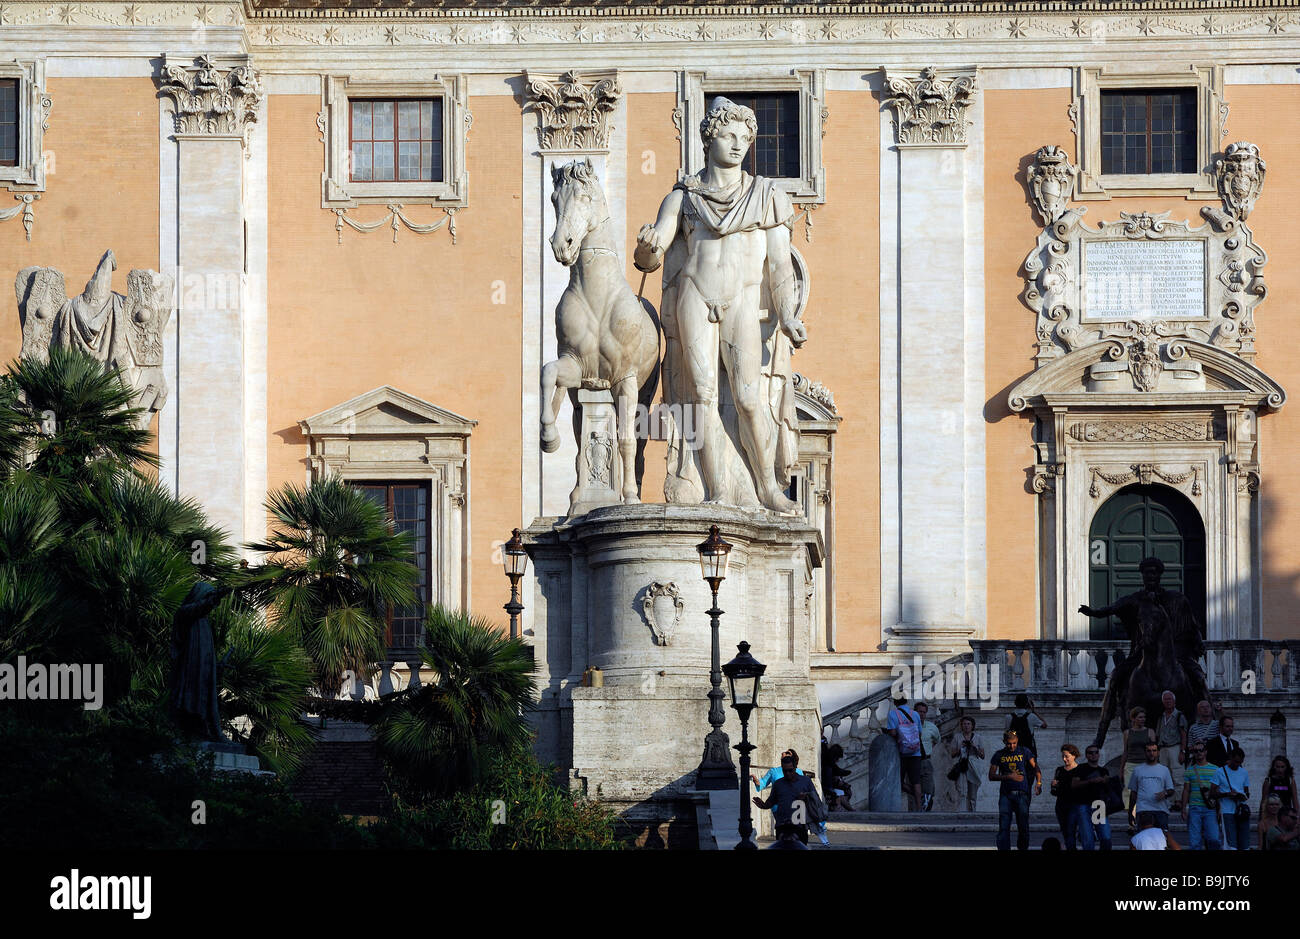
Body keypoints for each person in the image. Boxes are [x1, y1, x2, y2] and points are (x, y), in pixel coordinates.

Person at [635, 96, 806, 514]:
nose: (738, 145)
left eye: (746, 139)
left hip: (743, 299)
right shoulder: (683, 197)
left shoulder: (766, 196)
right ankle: (717, 491)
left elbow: (780, 266)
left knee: (749, 398)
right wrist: (648, 246)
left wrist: (788, 315)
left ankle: (766, 486)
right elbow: (650, 256)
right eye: (730, 135)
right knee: (703, 397)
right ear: (709, 137)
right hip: (695, 295)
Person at [1078, 556, 1210, 749]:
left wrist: (1197, 642)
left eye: (1154, 572)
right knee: (1115, 677)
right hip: (1142, 653)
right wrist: (1093, 612)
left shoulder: (1176, 599)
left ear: (1159, 575)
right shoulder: (1135, 600)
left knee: (1199, 678)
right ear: (1143, 576)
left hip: (1176, 654)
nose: (1150, 576)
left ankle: (1211, 724)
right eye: (1147, 573)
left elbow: (1192, 624)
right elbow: (1111, 609)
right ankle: (1100, 735)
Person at [754, 748, 829, 846]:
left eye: (790, 770)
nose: (788, 773)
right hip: (782, 826)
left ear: (795, 767)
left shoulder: (805, 781)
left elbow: (816, 801)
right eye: (785, 771)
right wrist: (763, 805)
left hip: (800, 826)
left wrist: (806, 796)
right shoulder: (778, 784)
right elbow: (771, 801)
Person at [989, 729, 1041, 851]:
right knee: (1004, 826)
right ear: (1004, 742)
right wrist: (1008, 776)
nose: (1011, 746)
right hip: (1006, 794)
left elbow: (1036, 768)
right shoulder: (999, 754)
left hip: (1022, 793)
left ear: (1017, 741)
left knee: (1023, 826)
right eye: (1008, 743)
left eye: (1014, 743)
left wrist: (1038, 783)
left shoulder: (1024, 751)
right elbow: (991, 776)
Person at [885, 696, 925, 812]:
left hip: (900, 753)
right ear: (906, 701)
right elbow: (919, 733)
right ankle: (919, 807)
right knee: (916, 781)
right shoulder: (915, 714)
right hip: (915, 753)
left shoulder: (893, 714)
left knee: (897, 781)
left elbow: (892, 733)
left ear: (895, 702)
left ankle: (894, 808)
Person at [1180, 741, 1222, 850]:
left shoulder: (1216, 769)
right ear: (1193, 753)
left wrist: (1219, 808)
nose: (1198, 753)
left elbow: (1218, 790)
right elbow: (1186, 790)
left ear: (1206, 752)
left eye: (1201, 750)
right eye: (1196, 751)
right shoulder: (1189, 770)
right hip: (1194, 808)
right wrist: (1183, 808)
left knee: (1214, 839)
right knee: (1195, 843)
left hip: (1210, 809)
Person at [1119, 707, 1156, 830]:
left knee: (1146, 792)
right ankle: (1131, 822)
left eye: (1144, 717)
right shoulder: (1127, 733)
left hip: (1145, 764)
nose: (1143, 720)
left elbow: (1154, 750)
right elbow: (1125, 751)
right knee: (1131, 794)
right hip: (1130, 764)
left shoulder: (1150, 732)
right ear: (1133, 718)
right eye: (1140, 717)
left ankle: (1146, 821)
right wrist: (1121, 768)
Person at [1072, 744, 1115, 850]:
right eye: (1090, 753)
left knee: (1106, 837)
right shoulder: (1081, 768)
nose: (1094, 755)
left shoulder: (1103, 771)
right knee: (1088, 838)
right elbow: (1074, 784)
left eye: (1096, 752)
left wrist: (1107, 781)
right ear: (1086, 755)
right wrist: (1091, 781)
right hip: (1083, 804)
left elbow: (1108, 789)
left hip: (1099, 805)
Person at [1052, 744, 1094, 850]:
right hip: (1061, 806)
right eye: (1063, 756)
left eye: (1066, 756)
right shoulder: (1059, 770)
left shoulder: (1081, 769)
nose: (1064, 759)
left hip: (1075, 805)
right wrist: (1054, 785)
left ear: (1074, 755)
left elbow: (1082, 788)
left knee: (1072, 832)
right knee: (1066, 833)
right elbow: (1054, 792)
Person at [1211, 747, 1252, 850]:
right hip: (1227, 810)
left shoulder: (1244, 772)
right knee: (1230, 843)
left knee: (1244, 842)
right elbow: (1212, 793)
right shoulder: (1219, 772)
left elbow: (1247, 791)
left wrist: (1243, 795)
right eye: (1235, 761)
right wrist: (1227, 794)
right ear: (1230, 758)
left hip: (1241, 810)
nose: (1237, 764)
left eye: (1240, 762)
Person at [1129, 741, 1175, 832]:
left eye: (1154, 750)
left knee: (1162, 842)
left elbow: (1171, 790)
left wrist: (1165, 793)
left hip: (1161, 810)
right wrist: (1130, 813)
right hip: (1143, 810)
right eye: (1149, 751)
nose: (1151, 753)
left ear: (1158, 752)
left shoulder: (1164, 770)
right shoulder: (1137, 770)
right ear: (1145, 752)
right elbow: (1133, 793)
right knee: (1145, 841)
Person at [1154, 690, 1188, 809]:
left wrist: (1182, 751)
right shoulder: (1161, 717)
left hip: (1175, 747)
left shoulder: (1179, 715)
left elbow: (1184, 734)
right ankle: (1168, 801)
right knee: (1164, 775)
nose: (1168, 702)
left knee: (1177, 775)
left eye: (1170, 699)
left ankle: (1178, 800)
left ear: (1174, 701)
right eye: (1165, 700)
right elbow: (1158, 734)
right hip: (1163, 748)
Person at [948, 715, 986, 813]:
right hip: (962, 764)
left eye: (968, 724)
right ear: (961, 725)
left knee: (972, 793)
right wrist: (960, 748)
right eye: (964, 724)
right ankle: (961, 813)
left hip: (974, 766)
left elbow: (982, 755)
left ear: (972, 726)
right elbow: (952, 754)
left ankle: (972, 813)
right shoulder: (957, 737)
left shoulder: (978, 737)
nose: (966, 726)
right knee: (961, 791)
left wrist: (974, 747)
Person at [915, 701, 942, 811]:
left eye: (924, 712)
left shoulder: (931, 727)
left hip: (926, 761)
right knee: (913, 788)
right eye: (919, 712)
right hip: (911, 761)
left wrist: (928, 750)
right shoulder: (908, 726)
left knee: (929, 790)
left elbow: (936, 740)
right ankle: (917, 810)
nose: (921, 714)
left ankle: (925, 811)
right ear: (914, 712)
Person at [1005, 693, 1046, 758]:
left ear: (1015, 703)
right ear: (1027, 704)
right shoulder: (1031, 717)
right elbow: (1044, 725)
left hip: (1014, 751)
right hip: (1028, 751)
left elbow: (1007, 734)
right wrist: (1034, 711)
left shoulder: (1008, 717)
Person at [821, 742, 853, 813]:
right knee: (838, 797)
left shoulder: (830, 764)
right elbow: (837, 772)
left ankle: (851, 810)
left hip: (831, 787)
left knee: (846, 791)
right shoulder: (828, 765)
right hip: (828, 789)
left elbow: (838, 771)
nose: (837, 760)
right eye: (837, 758)